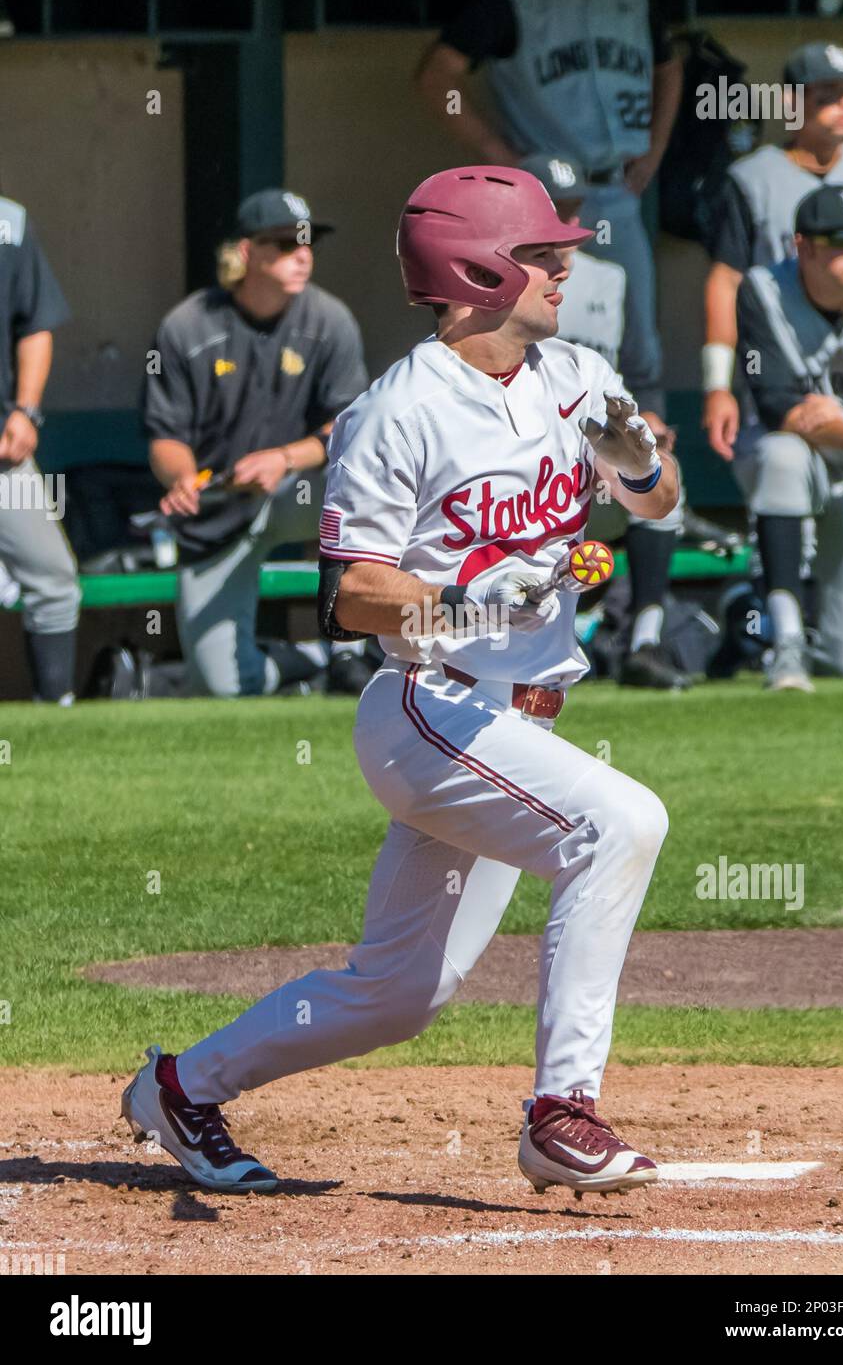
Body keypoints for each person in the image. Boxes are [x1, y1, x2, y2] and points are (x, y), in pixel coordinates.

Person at [121, 164, 677, 1199]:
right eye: (542, 253)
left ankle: (181, 1085)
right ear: (476, 269)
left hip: (516, 724)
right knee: (620, 822)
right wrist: (471, 600)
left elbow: (655, 502)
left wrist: (637, 461)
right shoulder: (397, 410)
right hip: (431, 706)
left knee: (398, 994)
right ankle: (563, 1111)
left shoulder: (576, 375)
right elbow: (355, 596)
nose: (566, 266)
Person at [417, 0, 684, 685]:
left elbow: (671, 60)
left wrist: (654, 151)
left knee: (637, 399)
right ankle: (522, 623)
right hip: (534, 196)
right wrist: (504, 167)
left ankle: (643, 626)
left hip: (616, 195)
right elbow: (435, 76)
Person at [702, 42, 843, 681]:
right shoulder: (753, 179)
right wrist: (718, 385)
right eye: (828, 95)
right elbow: (725, 280)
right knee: (784, 457)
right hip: (784, 372)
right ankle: (777, 626)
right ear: (792, 105)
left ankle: (810, 622)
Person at [143, 188, 370, 697]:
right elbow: (165, 436)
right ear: (247, 252)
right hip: (222, 508)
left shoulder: (329, 320)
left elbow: (349, 428)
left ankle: (352, 650)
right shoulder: (187, 326)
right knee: (223, 686)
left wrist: (285, 458)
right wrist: (181, 478)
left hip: (299, 495)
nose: (303, 254)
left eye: (309, 242)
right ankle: (312, 657)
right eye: (286, 244)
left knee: (365, 491)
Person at [522, 152, 736, 689]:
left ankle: (645, 640)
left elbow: (640, 367)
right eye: (554, 211)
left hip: (598, 454)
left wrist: (651, 422)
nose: (568, 226)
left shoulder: (609, 278)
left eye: (573, 211)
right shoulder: (516, 286)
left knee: (657, 474)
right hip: (533, 460)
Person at [735, 184, 843, 687]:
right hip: (798, 461)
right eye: (841, 239)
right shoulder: (763, 289)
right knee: (782, 454)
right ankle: (786, 639)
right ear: (803, 246)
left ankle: (811, 635)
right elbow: (777, 407)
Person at [0, 193, 76, 703]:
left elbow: (36, 323)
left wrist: (26, 409)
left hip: (2, 446)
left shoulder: (9, 221)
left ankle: (59, 715)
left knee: (53, 578)